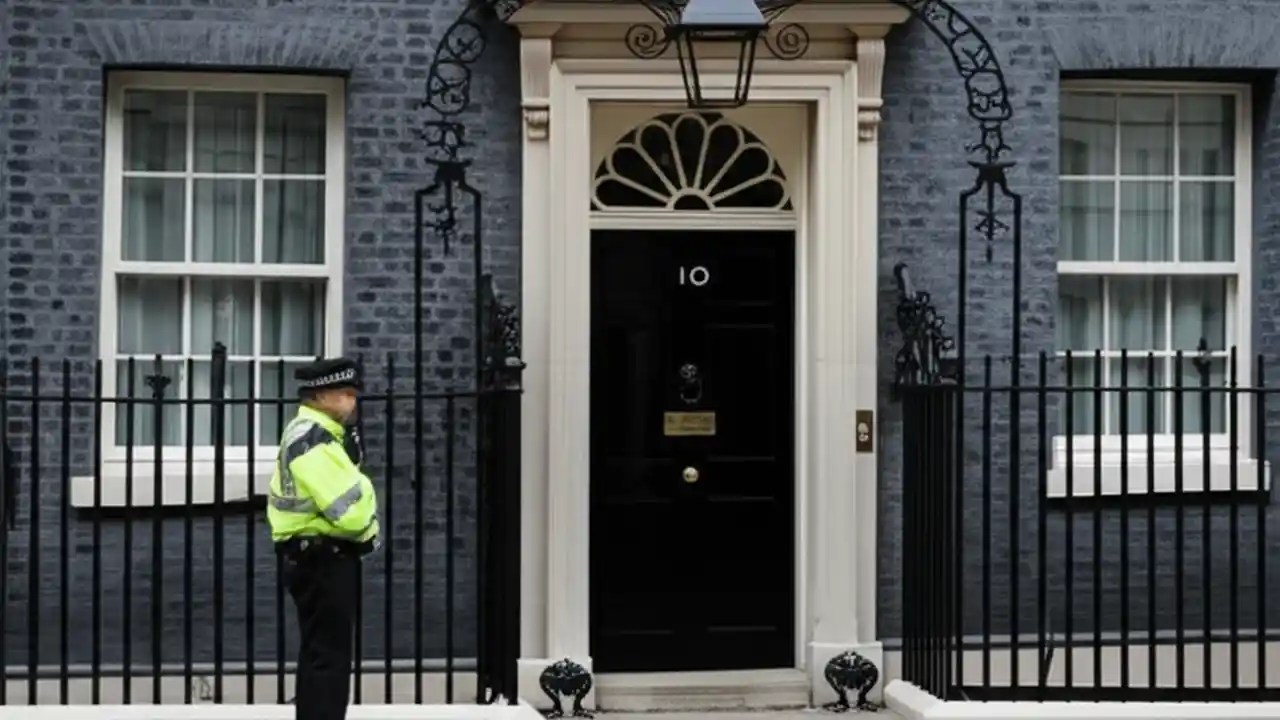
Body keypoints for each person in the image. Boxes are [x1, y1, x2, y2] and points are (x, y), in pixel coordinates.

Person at [267, 357, 379, 720]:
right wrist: (364, 497)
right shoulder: (313, 438)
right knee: (329, 662)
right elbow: (353, 513)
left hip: (314, 556)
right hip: (323, 559)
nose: (352, 402)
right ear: (319, 396)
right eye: (345, 394)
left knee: (320, 656)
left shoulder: (321, 436)